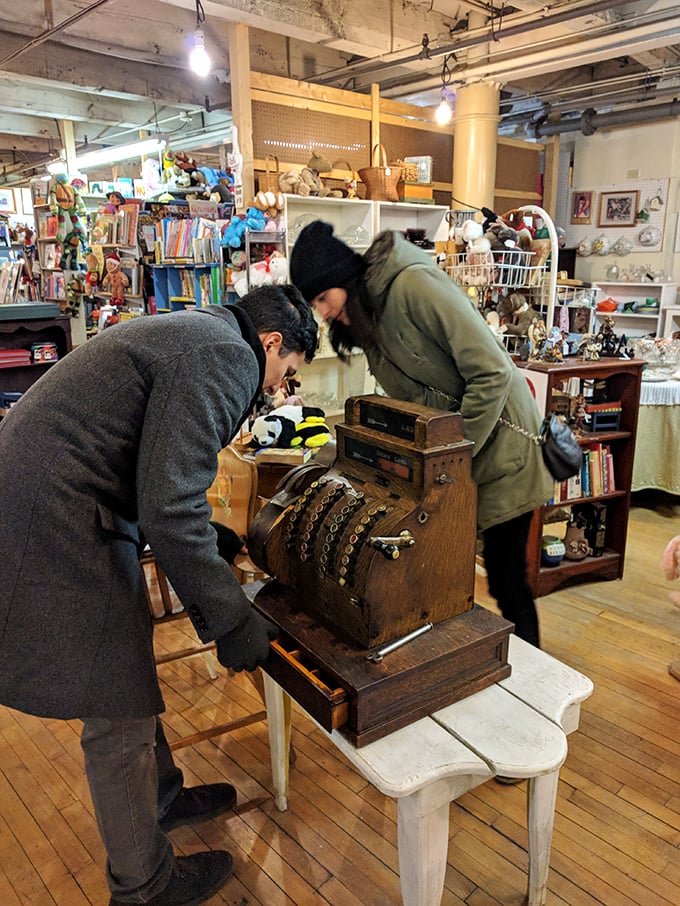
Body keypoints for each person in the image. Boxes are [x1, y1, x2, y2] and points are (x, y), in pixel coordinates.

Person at [0, 284, 317, 906]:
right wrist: (230, 620)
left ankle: (163, 797)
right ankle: (143, 886)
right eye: (287, 373)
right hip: (51, 514)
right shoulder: (229, 357)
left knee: (127, 660)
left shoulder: (201, 331)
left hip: (54, 496)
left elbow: (149, 470)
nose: (279, 388)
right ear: (272, 342)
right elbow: (169, 506)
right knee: (115, 701)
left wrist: (209, 540)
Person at [290, 220, 553, 648]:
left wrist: (450, 456)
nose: (322, 311)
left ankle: (532, 688)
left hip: (502, 448)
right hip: (459, 457)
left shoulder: (414, 285)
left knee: (507, 582)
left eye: (323, 297)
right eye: (314, 303)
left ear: (343, 278)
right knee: (446, 575)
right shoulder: (369, 320)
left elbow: (493, 372)